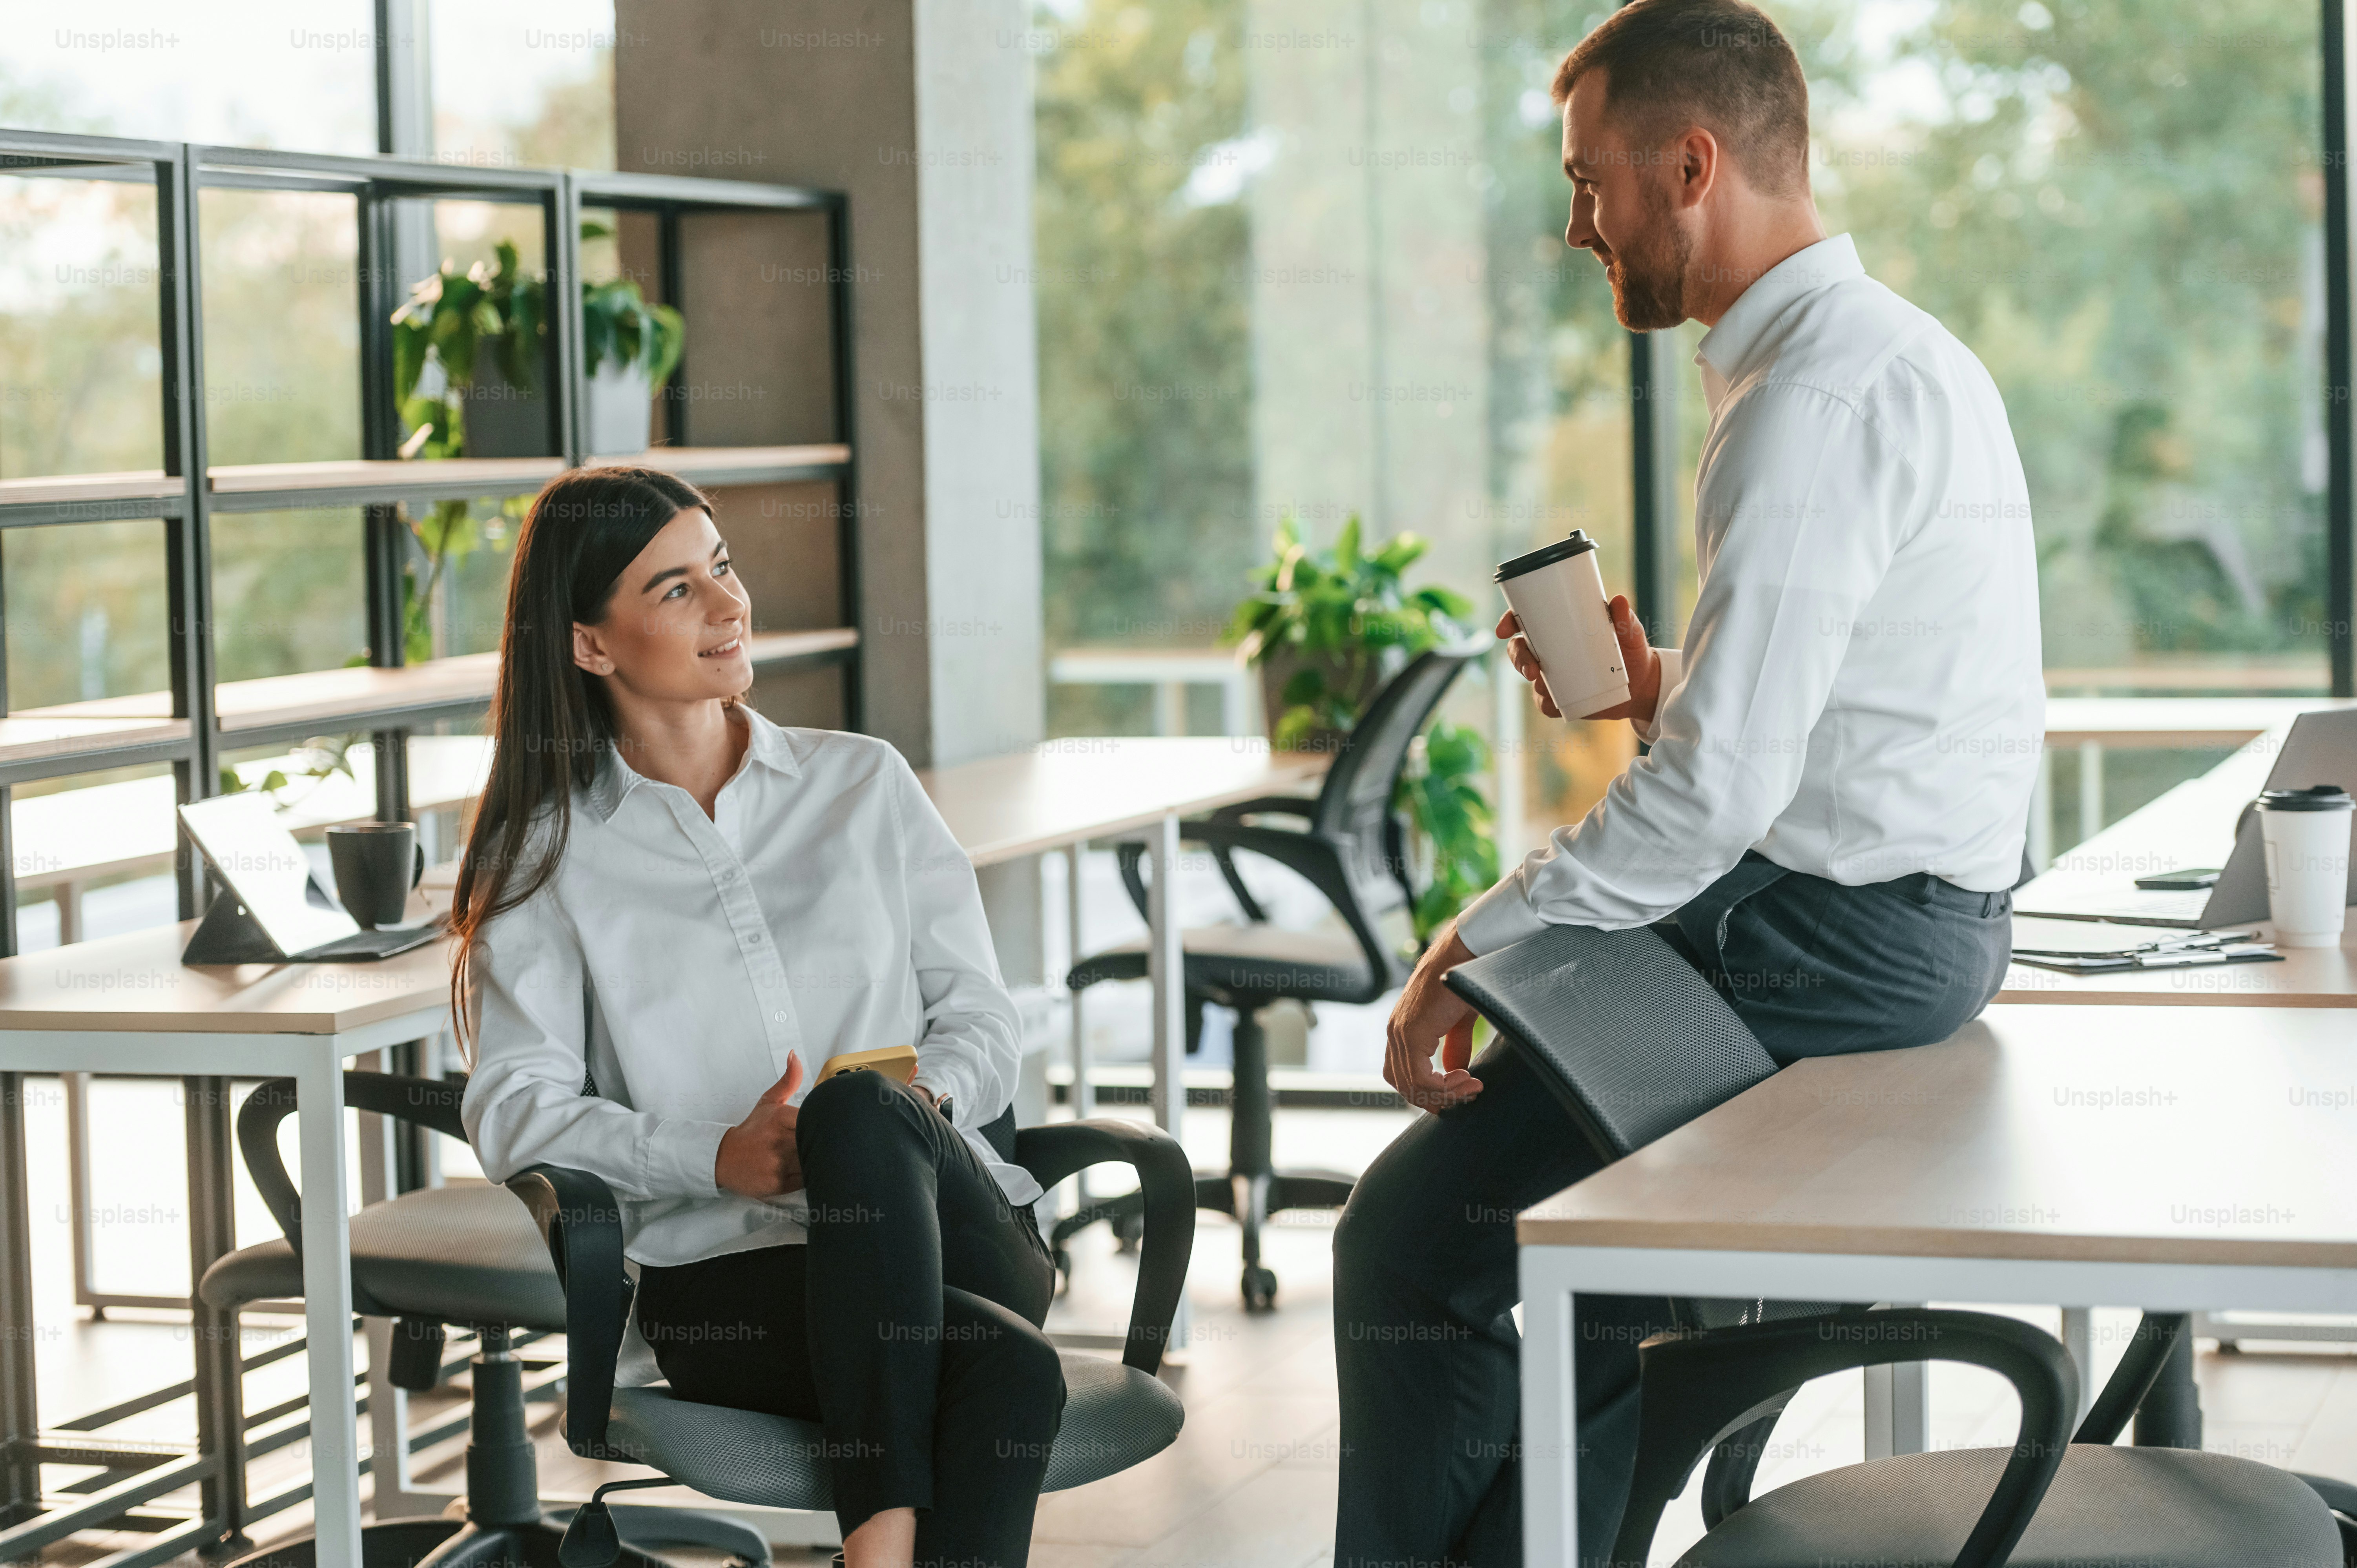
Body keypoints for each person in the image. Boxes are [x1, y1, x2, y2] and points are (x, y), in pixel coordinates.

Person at [1330, 0, 2044, 1562]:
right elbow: (1852, 721)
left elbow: (1713, 804)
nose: (1575, 222)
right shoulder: (1907, 359)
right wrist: (1661, 696)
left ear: (1690, 162)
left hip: (1833, 944)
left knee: (1404, 1240)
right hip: (1906, 924)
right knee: (1602, 1303)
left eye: (1591, 182)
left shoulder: (1805, 403)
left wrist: (1470, 947)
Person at [454, 467, 1062, 1568]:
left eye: (721, 566)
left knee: (860, 1113)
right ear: (592, 644)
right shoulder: (548, 855)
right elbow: (513, 1110)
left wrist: (910, 1115)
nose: (731, 606)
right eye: (677, 588)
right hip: (731, 1288)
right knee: (1011, 1373)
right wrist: (713, 1156)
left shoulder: (864, 785)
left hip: (958, 1236)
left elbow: (981, 1013)